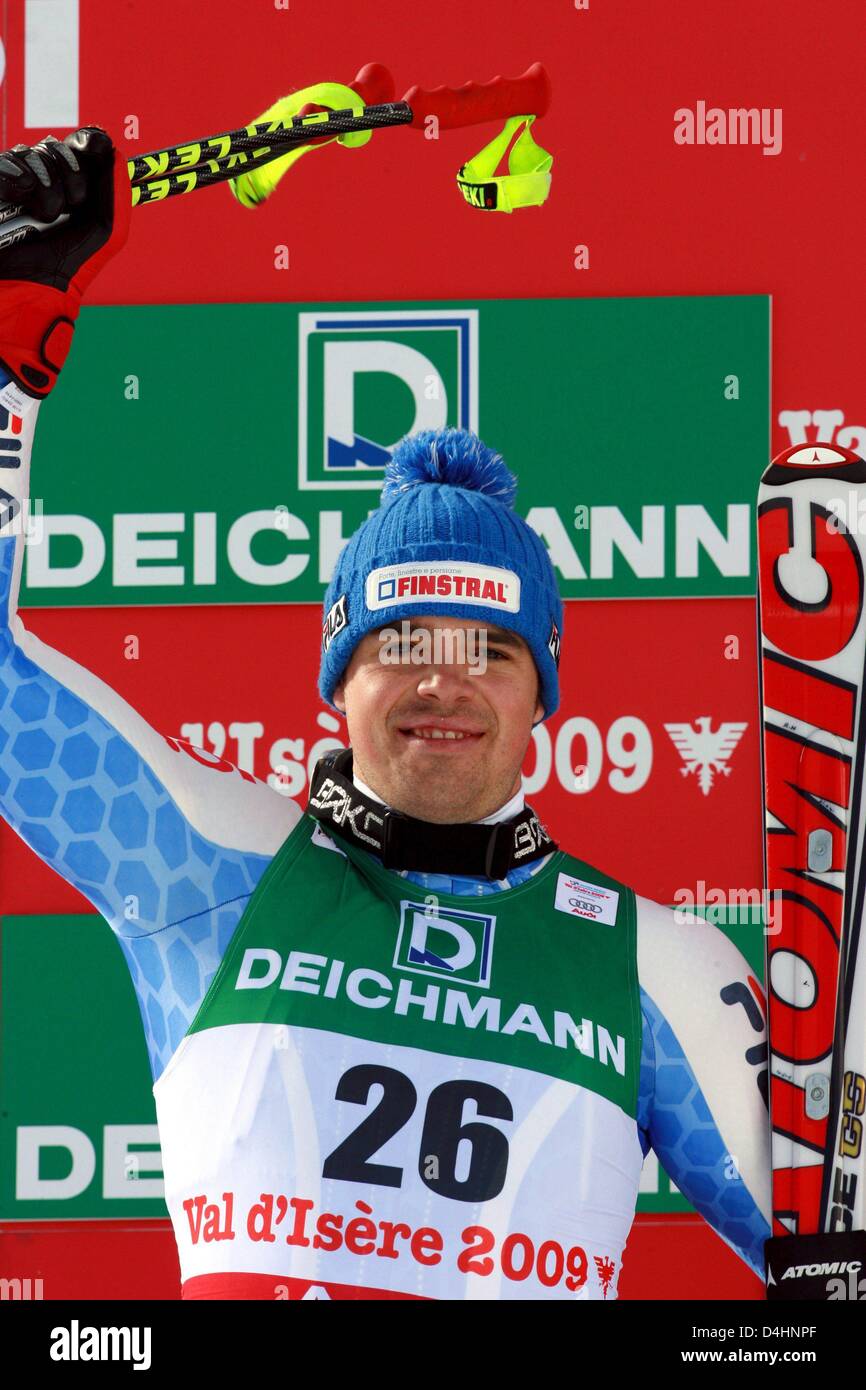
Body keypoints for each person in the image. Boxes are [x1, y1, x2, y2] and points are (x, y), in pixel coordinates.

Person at [0, 129, 771, 1301]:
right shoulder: (210, 866)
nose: (442, 682)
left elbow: (816, 1279)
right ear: (337, 680)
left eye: (491, 650)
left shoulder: (660, 968)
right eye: (398, 643)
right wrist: (10, 349)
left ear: (542, 691)